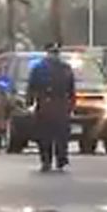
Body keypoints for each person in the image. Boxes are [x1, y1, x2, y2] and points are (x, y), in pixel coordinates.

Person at [26, 44, 77, 172]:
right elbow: (71, 89)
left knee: (46, 135)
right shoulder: (65, 68)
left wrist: (29, 102)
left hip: (47, 105)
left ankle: (48, 160)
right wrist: (71, 104)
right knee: (59, 134)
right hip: (58, 105)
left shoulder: (39, 68)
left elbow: (32, 87)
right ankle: (59, 158)